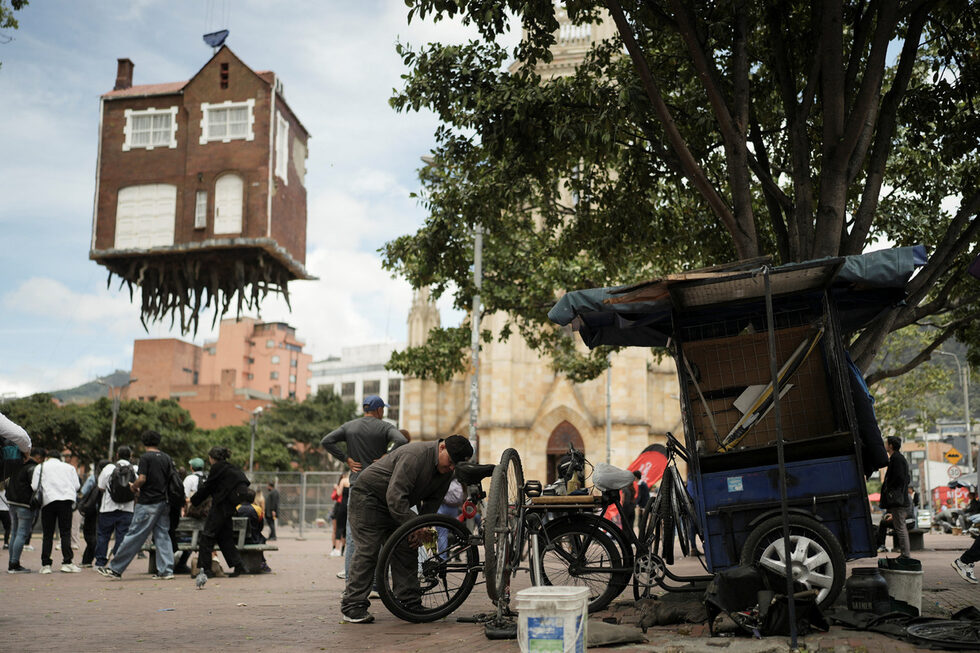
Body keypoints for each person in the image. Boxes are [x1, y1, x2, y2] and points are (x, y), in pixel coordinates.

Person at [341, 434, 473, 624]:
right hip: (369, 499)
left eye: (455, 466)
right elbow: (395, 497)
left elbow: (431, 504)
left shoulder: (446, 471)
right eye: (451, 462)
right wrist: (414, 526)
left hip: (396, 505)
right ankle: (352, 606)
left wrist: (421, 527)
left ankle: (409, 602)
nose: (451, 468)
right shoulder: (415, 456)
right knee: (368, 550)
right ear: (442, 447)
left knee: (407, 547)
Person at [321, 395, 408, 580]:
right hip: (379, 486)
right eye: (383, 409)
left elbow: (326, 441)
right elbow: (401, 440)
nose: (383, 412)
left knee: (352, 534)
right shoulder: (384, 427)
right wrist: (387, 455)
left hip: (357, 485)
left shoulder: (349, 426)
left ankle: (350, 582)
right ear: (378, 410)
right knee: (380, 533)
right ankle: (376, 583)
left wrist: (346, 459)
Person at [98, 431, 176, 580]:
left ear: (144, 442)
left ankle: (115, 568)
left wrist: (134, 487)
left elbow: (142, 478)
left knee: (134, 534)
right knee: (162, 535)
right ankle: (166, 570)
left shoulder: (146, 457)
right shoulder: (166, 457)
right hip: (164, 501)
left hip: (148, 502)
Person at [188, 446, 249, 578]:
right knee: (225, 538)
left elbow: (208, 487)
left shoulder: (217, 468)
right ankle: (239, 565)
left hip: (219, 507)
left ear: (212, 458)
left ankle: (205, 570)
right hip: (229, 508)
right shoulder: (230, 468)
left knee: (206, 537)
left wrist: (194, 500)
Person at [31, 449, 81, 574]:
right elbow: (77, 486)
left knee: (48, 534)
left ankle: (46, 564)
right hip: (66, 501)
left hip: (48, 501)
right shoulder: (69, 468)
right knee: (65, 532)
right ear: (60, 457)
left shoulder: (41, 467)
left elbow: (34, 486)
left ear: (47, 457)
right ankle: (67, 562)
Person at [94, 447, 136, 569]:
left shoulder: (108, 468)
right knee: (122, 537)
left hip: (108, 508)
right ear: (130, 456)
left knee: (103, 535)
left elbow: (100, 487)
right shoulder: (135, 469)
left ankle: (100, 563)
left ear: (117, 455)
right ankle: (117, 563)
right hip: (127, 509)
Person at [5, 446, 43, 573]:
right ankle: (14, 564)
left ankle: (12, 562)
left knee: (14, 533)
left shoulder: (12, 466)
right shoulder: (32, 467)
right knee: (21, 534)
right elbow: (35, 486)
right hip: (25, 504)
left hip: (12, 502)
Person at [879, 435, 911, 559]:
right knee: (900, 527)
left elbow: (900, 478)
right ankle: (905, 554)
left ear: (891, 446)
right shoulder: (898, 458)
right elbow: (906, 478)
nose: (885, 445)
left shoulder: (897, 459)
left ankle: (905, 555)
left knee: (900, 527)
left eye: (886, 443)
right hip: (900, 499)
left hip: (898, 501)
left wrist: (890, 489)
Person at [78, 459, 109, 567]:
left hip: (92, 510)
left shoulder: (93, 478)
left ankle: (87, 560)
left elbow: (83, 492)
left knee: (89, 534)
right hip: (106, 510)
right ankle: (92, 559)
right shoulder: (112, 477)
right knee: (101, 535)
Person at [331, 472, 349, 557]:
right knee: (346, 529)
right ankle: (344, 550)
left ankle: (337, 549)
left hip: (343, 506)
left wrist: (336, 487)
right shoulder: (354, 480)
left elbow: (339, 493)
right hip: (351, 506)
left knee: (339, 528)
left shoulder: (344, 480)